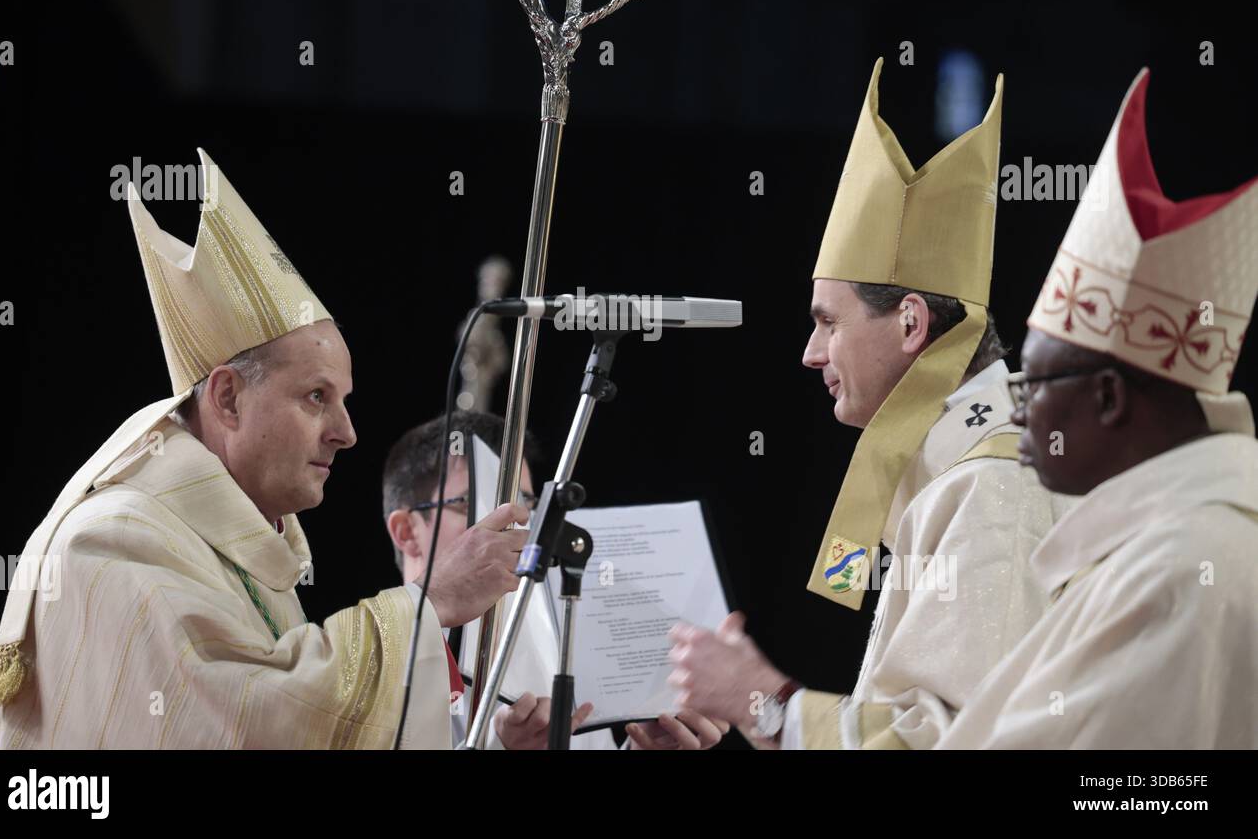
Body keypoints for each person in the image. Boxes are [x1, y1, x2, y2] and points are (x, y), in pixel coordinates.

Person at [0, 150, 525, 749]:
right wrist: (429, 604)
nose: (346, 432)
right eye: (316, 396)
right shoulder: (113, 540)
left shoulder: (235, 552)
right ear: (228, 398)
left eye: (343, 400)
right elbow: (243, 724)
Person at [669, 58, 1068, 749]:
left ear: (911, 323)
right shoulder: (963, 467)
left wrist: (765, 706)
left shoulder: (993, 488)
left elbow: (959, 740)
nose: (810, 353)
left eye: (829, 322)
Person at [939, 69, 1258, 748]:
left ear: (1108, 396)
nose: (1017, 413)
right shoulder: (1178, 541)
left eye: (1033, 384)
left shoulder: (1176, 569)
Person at [384, 412, 729, 750]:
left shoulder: (551, 642)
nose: (513, 524)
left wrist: (647, 747)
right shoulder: (374, 654)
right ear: (406, 531)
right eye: (473, 503)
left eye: (525, 504)